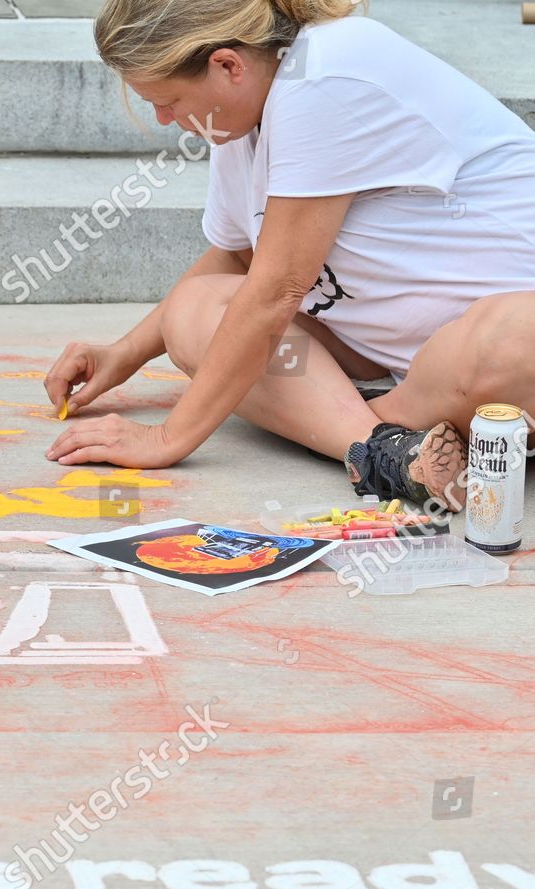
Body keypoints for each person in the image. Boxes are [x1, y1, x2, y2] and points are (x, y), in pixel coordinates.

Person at [43, 0, 535, 512]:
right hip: (412, 367)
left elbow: (276, 290)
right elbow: (235, 261)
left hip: (496, 353)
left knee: (515, 343)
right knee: (192, 310)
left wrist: (168, 437)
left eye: (166, 100)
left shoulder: (322, 72)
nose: (164, 118)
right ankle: (391, 451)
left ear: (228, 65)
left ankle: (348, 429)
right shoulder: (244, 114)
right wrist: (124, 352)